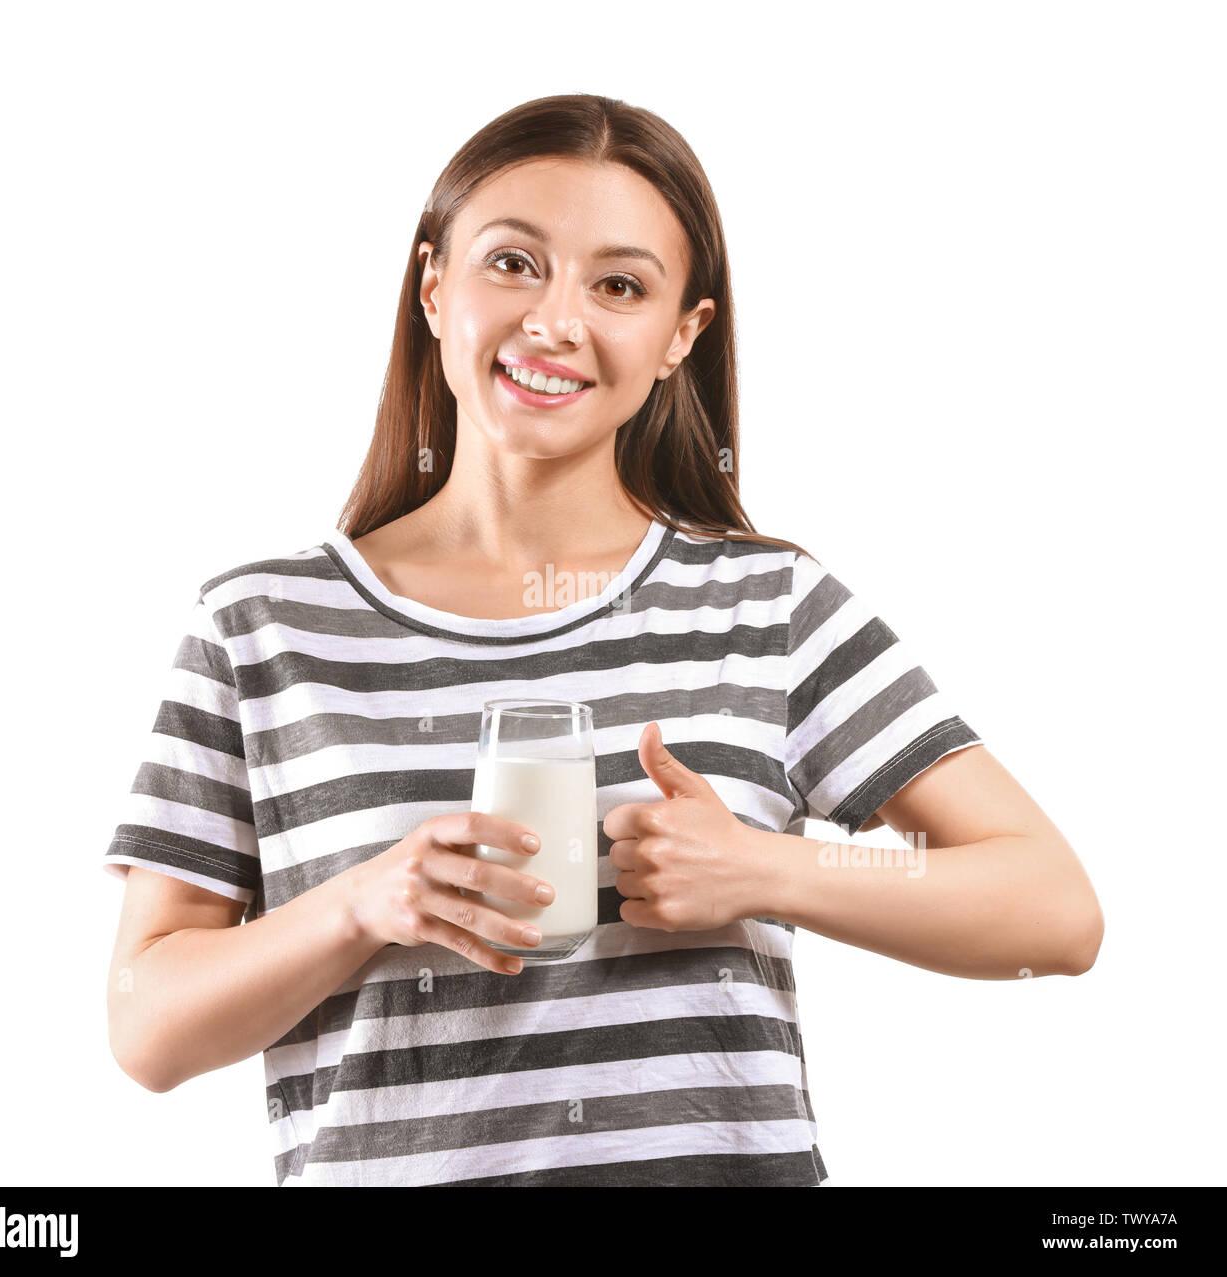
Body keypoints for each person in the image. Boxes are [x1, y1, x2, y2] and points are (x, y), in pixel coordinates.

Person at [103, 93, 1104, 1187]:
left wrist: (767, 869)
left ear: (681, 335)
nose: (555, 321)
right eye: (513, 264)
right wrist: (358, 904)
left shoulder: (765, 606)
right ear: (433, 286)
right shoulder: (261, 626)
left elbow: (1052, 910)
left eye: (618, 285)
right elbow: (147, 1027)